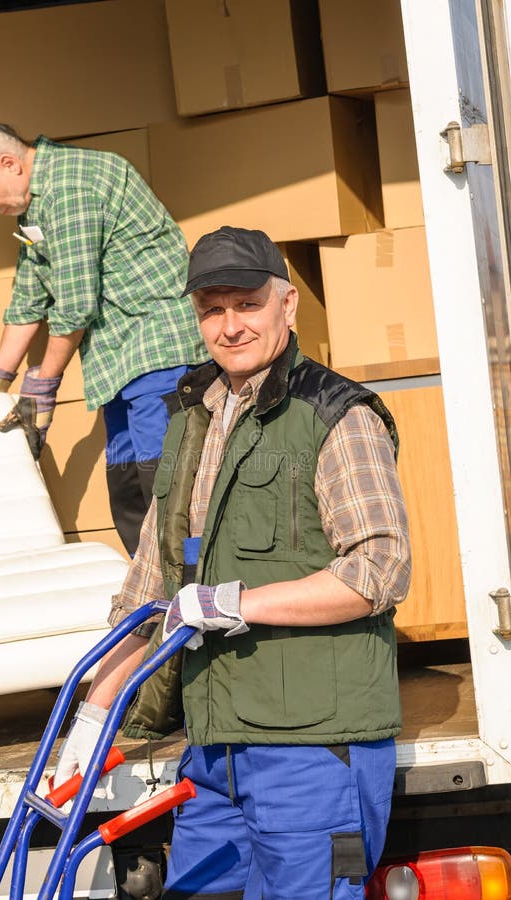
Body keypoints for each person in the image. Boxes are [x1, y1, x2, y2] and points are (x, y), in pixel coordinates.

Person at [54, 225, 412, 899]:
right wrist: (95, 715)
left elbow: (380, 569)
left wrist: (235, 604)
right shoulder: (194, 416)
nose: (230, 325)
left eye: (247, 304)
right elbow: (149, 585)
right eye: (212, 309)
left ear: (287, 305)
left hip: (312, 751)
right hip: (214, 752)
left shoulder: (336, 414)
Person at [0, 121, 208, 556]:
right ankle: (153, 599)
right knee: (128, 494)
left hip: (156, 351)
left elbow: (75, 302)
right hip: (118, 362)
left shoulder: (71, 187)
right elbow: (30, 297)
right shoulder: (36, 206)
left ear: (9, 164)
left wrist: (42, 387)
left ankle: (194, 604)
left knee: (165, 491)